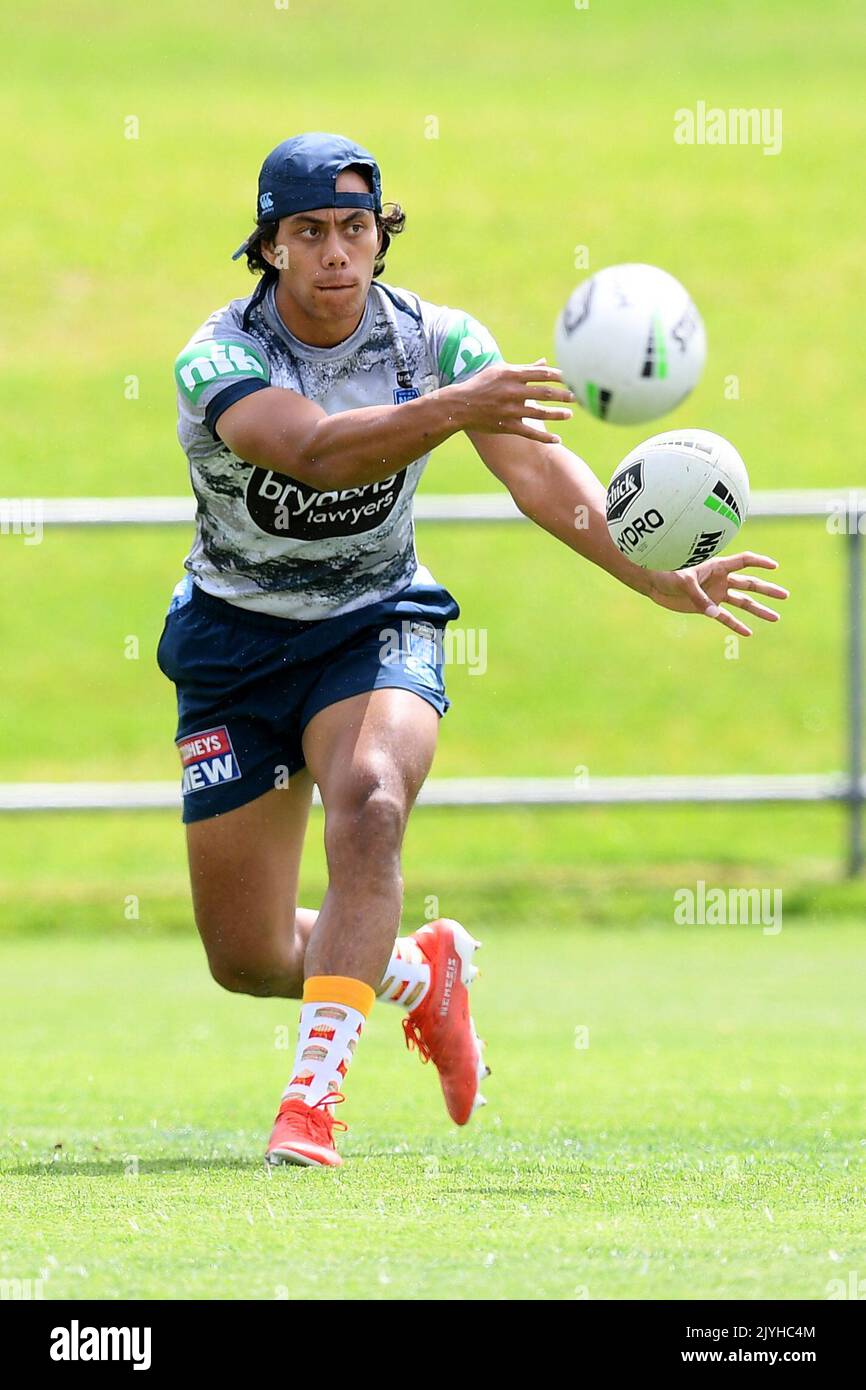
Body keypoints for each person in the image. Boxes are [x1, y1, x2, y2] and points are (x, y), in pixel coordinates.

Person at [159, 132, 787, 1168]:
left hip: (374, 621)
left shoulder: (437, 341)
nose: (334, 252)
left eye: (354, 228)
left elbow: (540, 476)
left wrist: (654, 574)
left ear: (381, 235)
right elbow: (309, 453)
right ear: (268, 247)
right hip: (234, 640)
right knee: (248, 955)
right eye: (307, 232)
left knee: (372, 801)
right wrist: (454, 407)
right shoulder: (220, 356)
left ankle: (309, 1106)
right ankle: (420, 973)